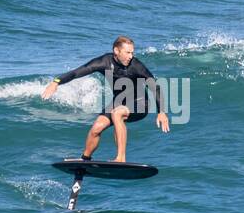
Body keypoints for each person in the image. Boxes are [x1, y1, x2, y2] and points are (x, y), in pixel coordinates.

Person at [41, 35, 170, 162]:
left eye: (132, 52)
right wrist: (56, 82)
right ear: (116, 51)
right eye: (127, 52)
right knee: (97, 127)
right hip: (119, 101)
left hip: (140, 103)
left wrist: (161, 112)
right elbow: (77, 72)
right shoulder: (104, 62)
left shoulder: (136, 65)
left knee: (117, 113)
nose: (131, 56)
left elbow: (155, 87)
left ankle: (121, 158)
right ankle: (85, 159)